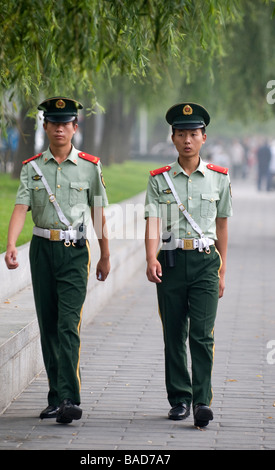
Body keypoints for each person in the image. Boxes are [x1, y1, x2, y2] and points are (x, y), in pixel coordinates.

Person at [5, 97, 110, 424]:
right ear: (46, 127)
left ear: (75, 128)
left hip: (75, 252)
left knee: (68, 324)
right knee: (48, 324)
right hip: (41, 250)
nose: (60, 128)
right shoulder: (32, 167)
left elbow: (98, 214)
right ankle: (55, 396)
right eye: (54, 123)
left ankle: (69, 397)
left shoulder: (90, 167)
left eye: (66, 123)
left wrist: (106, 254)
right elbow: (21, 207)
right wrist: (11, 244)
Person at [144, 102, 232, 428]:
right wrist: (150, 257)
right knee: (174, 333)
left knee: (202, 334)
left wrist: (223, 270)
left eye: (193, 134)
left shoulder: (219, 179)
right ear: (173, 137)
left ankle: (202, 401)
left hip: (207, 262)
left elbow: (222, 225)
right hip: (171, 261)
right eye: (181, 134)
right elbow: (152, 222)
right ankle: (179, 399)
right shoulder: (159, 180)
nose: (187, 140)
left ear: (204, 137)